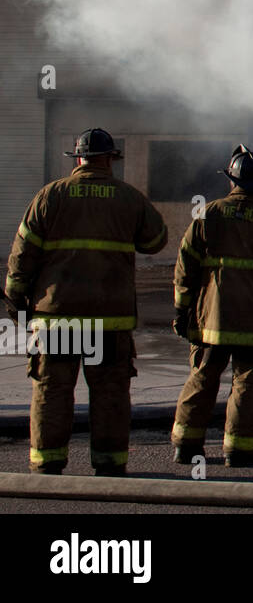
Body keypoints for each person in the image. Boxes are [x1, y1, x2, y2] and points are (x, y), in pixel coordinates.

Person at [5, 128, 167, 475]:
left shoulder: (50, 196)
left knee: (53, 390)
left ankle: (48, 463)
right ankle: (109, 464)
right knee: (110, 393)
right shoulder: (129, 198)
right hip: (110, 320)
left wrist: (16, 299)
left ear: (78, 160)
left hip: (58, 318)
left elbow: (22, 256)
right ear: (110, 160)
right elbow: (155, 241)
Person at [171, 146, 253, 467]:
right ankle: (239, 450)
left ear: (232, 181)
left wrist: (182, 309)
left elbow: (185, 268)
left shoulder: (208, 214)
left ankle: (187, 446)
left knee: (202, 376)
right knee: (248, 381)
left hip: (211, 318)